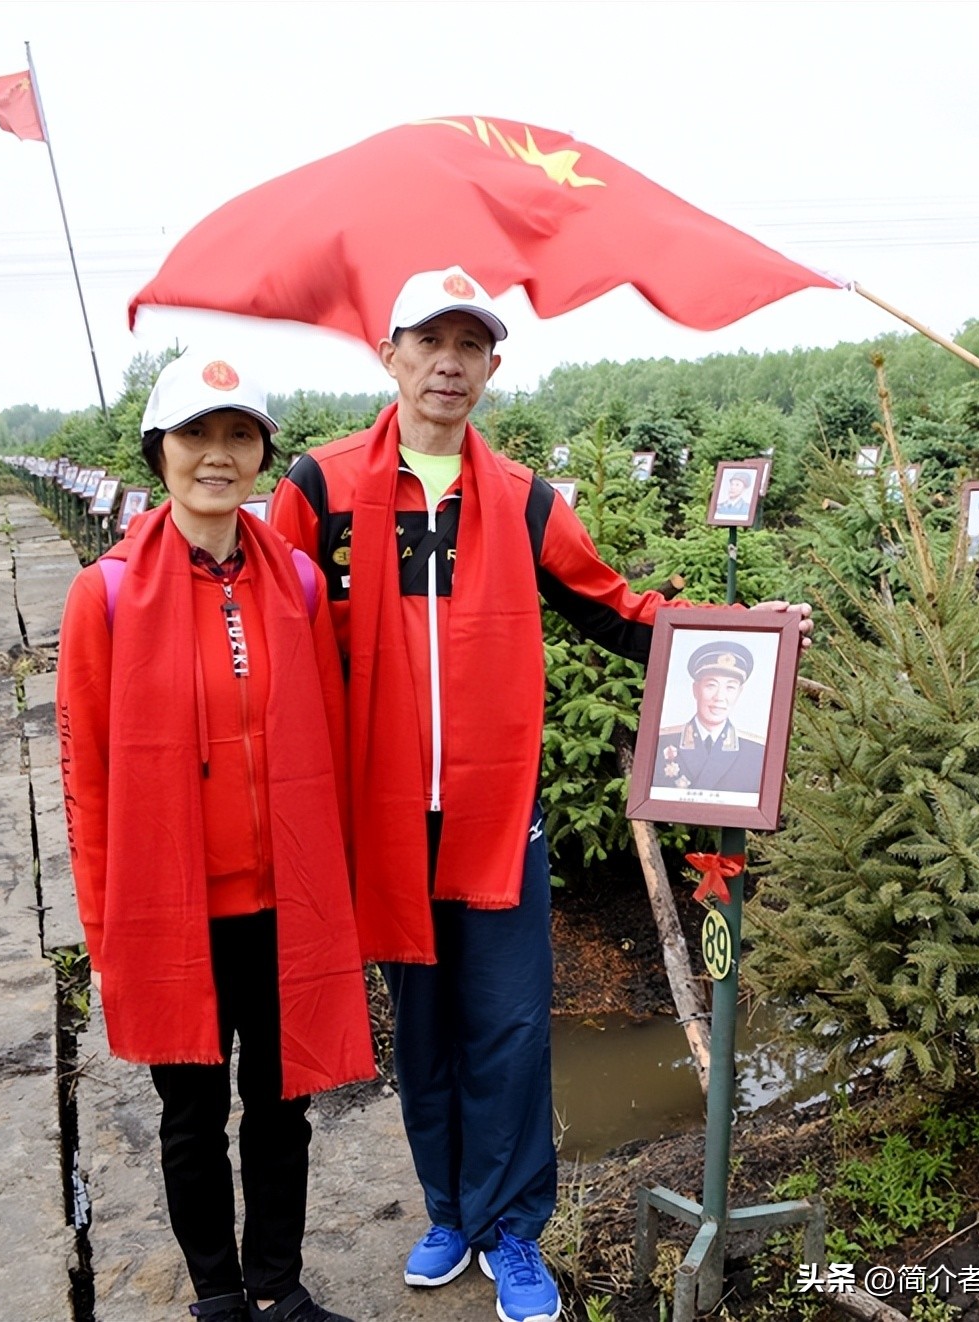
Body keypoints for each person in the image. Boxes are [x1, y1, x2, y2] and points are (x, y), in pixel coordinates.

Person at [270, 265, 813, 1322]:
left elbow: (618, 611)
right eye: (430, 340)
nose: (448, 363)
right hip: (378, 814)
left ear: (492, 367)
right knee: (419, 1027)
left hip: (492, 811)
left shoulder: (521, 501)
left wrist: (751, 630)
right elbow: (262, 614)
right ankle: (449, 1211)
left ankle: (514, 1228)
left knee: (513, 1027)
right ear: (389, 353)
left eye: (470, 345)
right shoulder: (321, 489)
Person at [56, 352, 374, 1322]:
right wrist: (110, 933)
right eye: (197, 433)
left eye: (241, 434)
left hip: (284, 904)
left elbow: (327, 736)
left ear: (263, 452)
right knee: (192, 1116)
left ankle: (279, 1281)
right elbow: (88, 780)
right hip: (175, 909)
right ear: (160, 451)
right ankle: (219, 1293)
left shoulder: (302, 584)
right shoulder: (103, 595)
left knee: (284, 1110)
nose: (219, 455)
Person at [653, 642, 765, 794]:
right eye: (711, 685)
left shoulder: (756, 752)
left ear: (739, 693)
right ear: (695, 689)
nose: (719, 697)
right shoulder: (660, 742)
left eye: (730, 687)